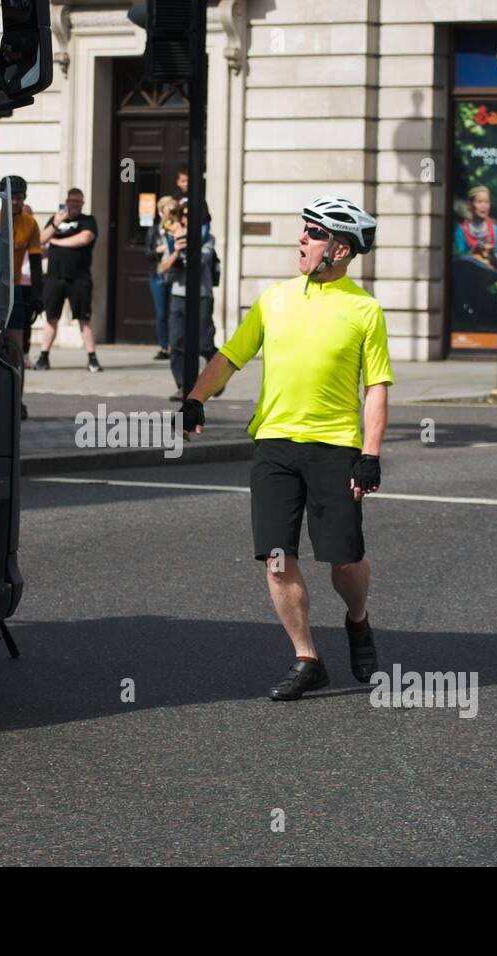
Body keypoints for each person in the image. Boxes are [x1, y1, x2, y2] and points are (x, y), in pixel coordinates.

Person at [179, 196, 392, 702]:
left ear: (339, 250)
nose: (301, 239)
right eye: (304, 230)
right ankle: (306, 657)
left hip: (335, 447)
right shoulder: (273, 299)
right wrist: (194, 399)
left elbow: (377, 386)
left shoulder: (365, 310)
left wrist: (371, 453)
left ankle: (358, 621)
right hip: (274, 443)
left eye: (313, 234)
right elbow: (231, 356)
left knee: (344, 560)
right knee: (277, 557)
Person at [34, 188, 101, 372]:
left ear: (83, 203)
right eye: (72, 201)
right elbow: (39, 240)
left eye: (79, 202)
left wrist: (54, 242)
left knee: (84, 319)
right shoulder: (56, 220)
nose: (75, 205)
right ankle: (43, 357)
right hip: (54, 278)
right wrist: (55, 224)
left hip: (79, 278)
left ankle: (92, 358)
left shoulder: (88, 221)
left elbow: (83, 239)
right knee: (51, 318)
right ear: (67, 201)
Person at [158, 200, 218, 400]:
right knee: (176, 344)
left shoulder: (207, 239)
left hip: (200, 295)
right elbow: (163, 267)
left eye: (189, 216)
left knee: (204, 344)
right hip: (178, 295)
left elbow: (200, 262)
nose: (185, 220)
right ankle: (184, 386)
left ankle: (216, 378)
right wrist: (176, 249)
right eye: (183, 216)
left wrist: (187, 247)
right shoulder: (173, 239)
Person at [0, 176, 42, 419]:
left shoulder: (30, 223)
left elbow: (35, 264)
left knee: (16, 346)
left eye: (19, 197)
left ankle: (17, 400)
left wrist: (37, 295)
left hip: (14, 289)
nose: (15, 201)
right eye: (11, 196)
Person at [147, 196, 179, 360]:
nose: (170, 213)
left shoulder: (177, 228)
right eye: (167, 209)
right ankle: (164, 346)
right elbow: (147, 252)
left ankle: (176, 345)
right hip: (158, 275)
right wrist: (157, 250)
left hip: (175, 275)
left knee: (175, 312)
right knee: (161, 313)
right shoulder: (154, 230)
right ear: (161, 211)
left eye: (173, 209)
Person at [453, 185, 497, 271]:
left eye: (486, 202)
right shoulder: (461, 230)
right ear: (470, 205)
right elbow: (458, 257)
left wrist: (495, 256)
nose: (483, 206)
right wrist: (473, 252)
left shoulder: (495, 230)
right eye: (479, 202)